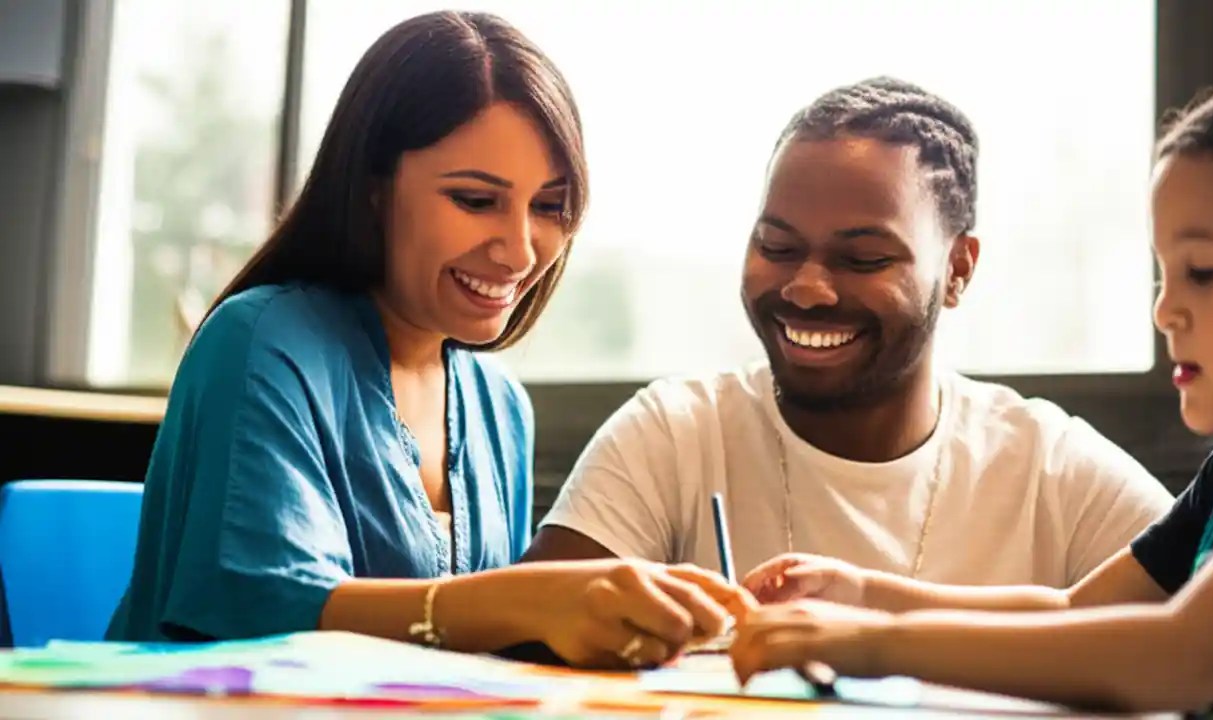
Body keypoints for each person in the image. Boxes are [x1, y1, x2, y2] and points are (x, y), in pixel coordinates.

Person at [107, 11, 746, 671]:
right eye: (475, 200)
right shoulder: (262, 340)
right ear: (375, 188)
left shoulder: (499, 406)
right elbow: (266, 611)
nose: (520, 250)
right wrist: (530, 601)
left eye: (550, 206)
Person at [729, 76, 1213, 717]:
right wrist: (863, 593)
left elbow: (1188, 656)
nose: (1165, 311)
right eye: (1163, 273)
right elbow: (1078, 610)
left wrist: (869, 644)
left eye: (1205, 272)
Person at [525, 77, 1173, 589]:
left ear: (957, 269)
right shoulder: (676, 433)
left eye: (862, 260)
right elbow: (522, 642)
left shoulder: (1052, 471)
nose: (807, 288)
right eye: (777, 247)